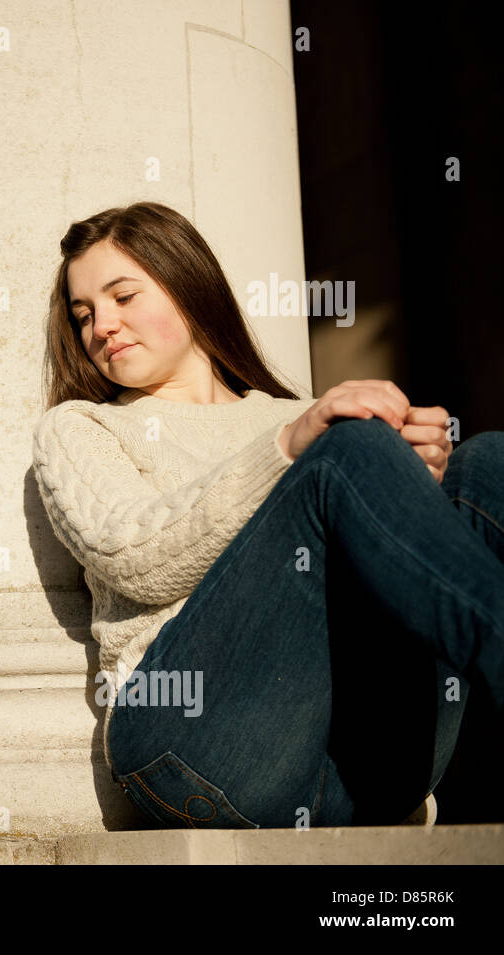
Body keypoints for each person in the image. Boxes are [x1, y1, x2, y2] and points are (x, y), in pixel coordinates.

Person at [31, 201, 504, 829]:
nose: (102, 327)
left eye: (123, 296)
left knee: (489, 462)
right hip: (193, 745)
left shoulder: (303, 418)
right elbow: (132, 558)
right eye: (84, 313)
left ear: (187, 285)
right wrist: (289, 451)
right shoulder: (84, 427)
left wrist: (419, 490)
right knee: (347, 452)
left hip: (355, 760)